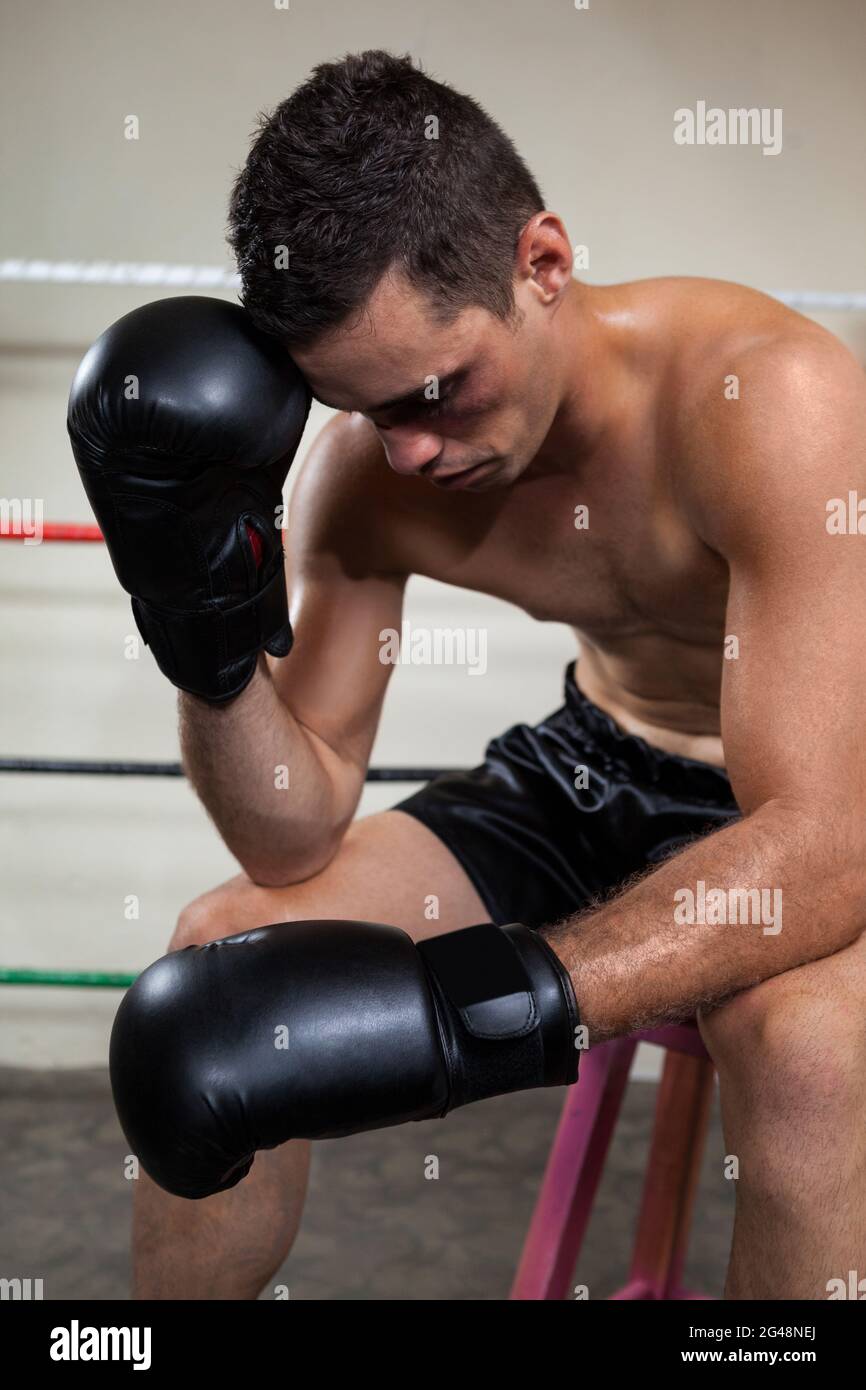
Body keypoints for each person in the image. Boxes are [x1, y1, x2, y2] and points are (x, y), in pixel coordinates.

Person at [70, 50, 866, 1300]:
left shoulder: (769, 401)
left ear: (540, 264)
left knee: (812, 1057)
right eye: (368, 409)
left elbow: (824, 837)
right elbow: (290, 831)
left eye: (440, 391)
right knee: (218, 962)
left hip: (805, 799)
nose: (412, 448)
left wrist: (487, 1008)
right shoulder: (367, 470)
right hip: (592, 765)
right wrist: (199, 627)